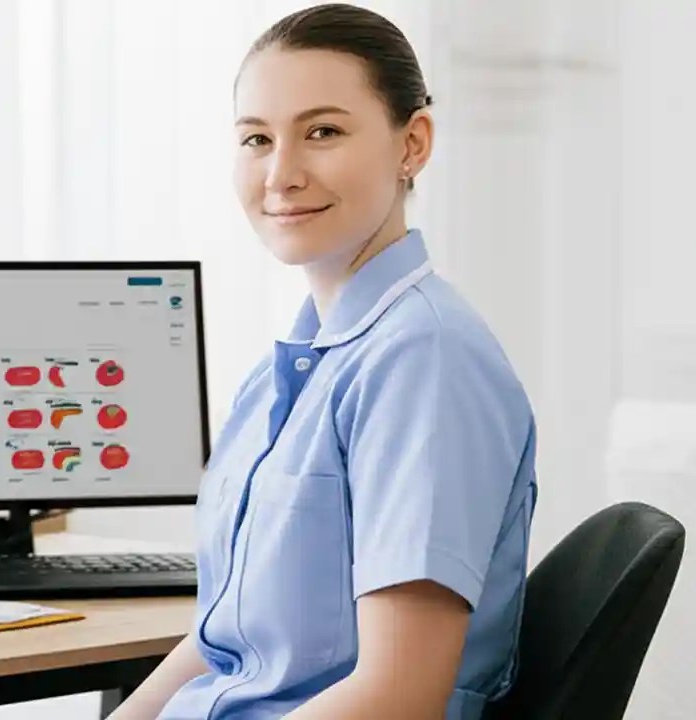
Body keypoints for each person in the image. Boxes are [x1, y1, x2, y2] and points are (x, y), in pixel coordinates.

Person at [109, 4, 538, 719]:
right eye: (256, 138)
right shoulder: (298, 363)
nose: (281, 173)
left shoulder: (423, 360)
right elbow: (223, 639)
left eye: (323, 132)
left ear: (413, 144)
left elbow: (398, 695)